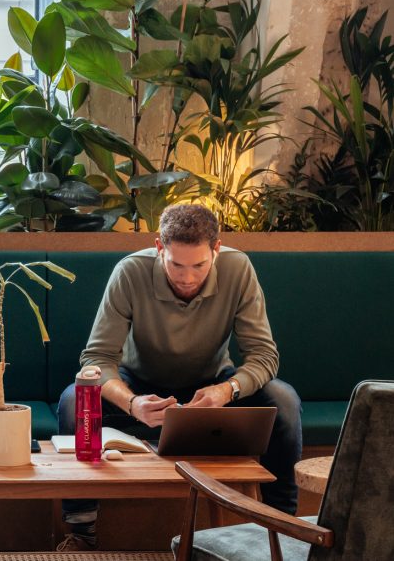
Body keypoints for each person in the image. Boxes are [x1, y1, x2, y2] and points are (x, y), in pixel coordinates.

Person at [55, 204, 301, 552]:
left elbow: (264, 356)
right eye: (176, 264)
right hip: (137, 384)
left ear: (216, 250)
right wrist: (131, 402)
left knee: (284, 400)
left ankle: (283, 526)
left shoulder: (238, 268)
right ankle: (82, 531)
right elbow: (95, 360)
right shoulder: (129, 272)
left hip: (214, 385)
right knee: (71, 402)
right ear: (159, 248)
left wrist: (226, 391)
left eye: (199, 265)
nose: (187, 277)